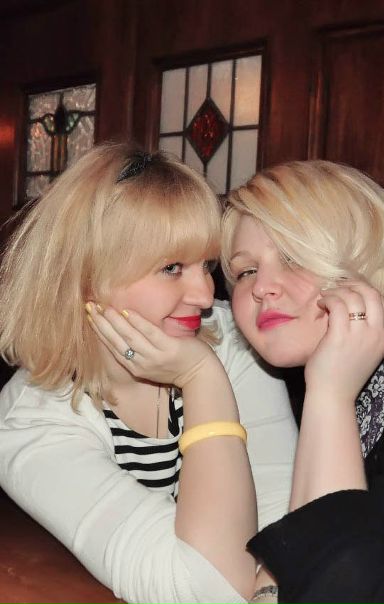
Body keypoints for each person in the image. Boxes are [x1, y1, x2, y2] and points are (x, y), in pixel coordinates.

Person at [0, 143, 297, 604]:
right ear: (85, 279)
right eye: (171, 268)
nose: (205, 295)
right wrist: (202, 378)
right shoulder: (30, 419)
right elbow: (204, 588)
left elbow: (287, 527)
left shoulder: (234, 341)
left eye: (207, 265)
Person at [218, 159, 384, 603]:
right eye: (246, 271)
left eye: (294, 257)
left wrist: (331, 396)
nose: (261, 287)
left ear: (368, 261)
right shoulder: (296, 371)